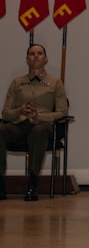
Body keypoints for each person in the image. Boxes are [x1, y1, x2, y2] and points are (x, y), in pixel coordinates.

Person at [0, 43, 69, 202]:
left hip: (42, 126)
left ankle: (33, 184)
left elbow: (63, 112)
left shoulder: (55, 82)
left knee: (38, 132)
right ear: (27, 59)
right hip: (19, 125)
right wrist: (19, 110)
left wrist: (40, 117)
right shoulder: (17, 82)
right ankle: (0, 184)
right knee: (1, 130)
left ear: (45, 59)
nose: (36, 56)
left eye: (39, 53)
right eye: (32, 54)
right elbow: (5, 113)